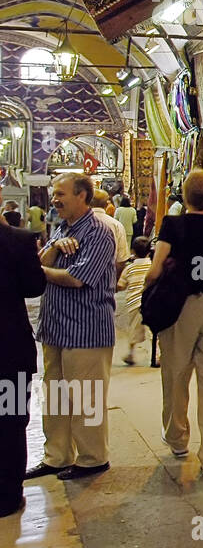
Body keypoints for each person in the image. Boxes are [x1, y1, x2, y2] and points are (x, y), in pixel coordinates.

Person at [147, 170, 203, 476]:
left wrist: (149, 292)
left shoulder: (173, 225)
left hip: (181, 304)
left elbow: (156, 268)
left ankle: (177, 438)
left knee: (176, 371)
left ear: (185, 196)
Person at [25, 173, 117, 482]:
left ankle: (93, 458)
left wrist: (41, 272)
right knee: (55, 395)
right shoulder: (60, 229)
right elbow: (39, 262)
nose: (55, 199)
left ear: (82, 196)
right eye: (54, 194)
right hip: (55, 328)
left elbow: (77, 279)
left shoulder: (99, 233)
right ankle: (57, 455)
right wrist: (53, 246)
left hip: (86, 330)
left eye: (61, 193)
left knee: (85, 396)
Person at [0, 220, 44, 517]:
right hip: (10, 351)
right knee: (11, 421)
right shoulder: (18, 240)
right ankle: (7, 496)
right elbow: (33, 286)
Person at [116, 237, 152, 366]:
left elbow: (121, 285)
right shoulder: (151, 265)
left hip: (133, 304)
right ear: (149, 252)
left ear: (132, 251)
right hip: (150, 302)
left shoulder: (129, 269)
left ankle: (131, 353)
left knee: (133, 330)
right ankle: (156, 355)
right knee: (152, 331)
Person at [91, 189, 129, 277]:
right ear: (107, 204)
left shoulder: (79, 222)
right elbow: (121, 259)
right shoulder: (116, 225)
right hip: (107, 278)